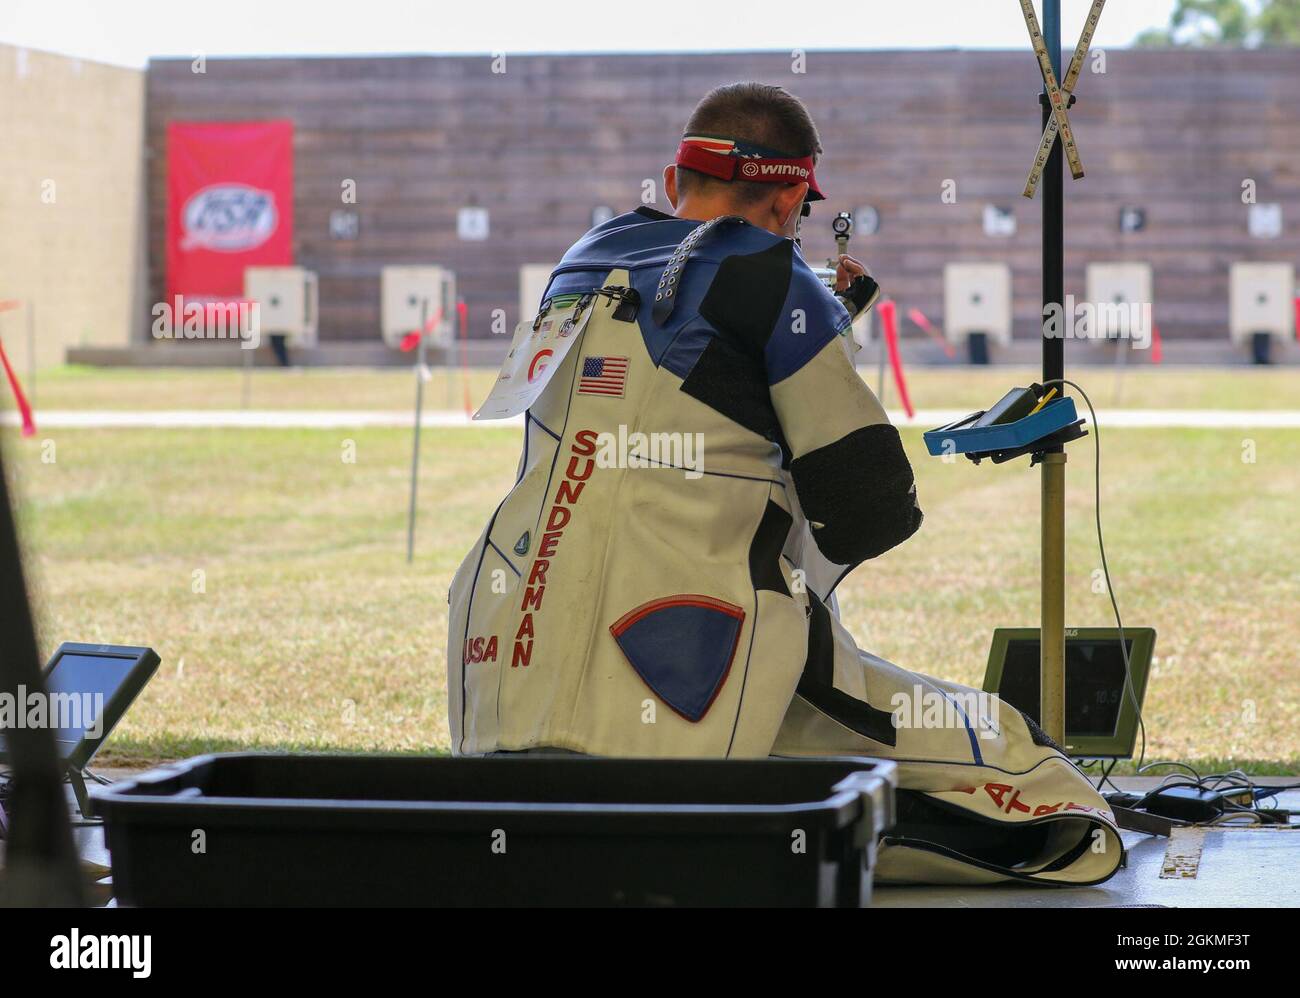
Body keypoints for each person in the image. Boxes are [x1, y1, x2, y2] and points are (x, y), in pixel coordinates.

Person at [449, 82, 1122, 885]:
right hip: (689, 675)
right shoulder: (774, 278)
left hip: (498, 683)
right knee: (1043, 784)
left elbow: (678, 391)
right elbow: (871, 512)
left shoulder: (578, 266)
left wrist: (806, 328)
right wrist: (814, 328)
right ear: (793, 199)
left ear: (673, 184)